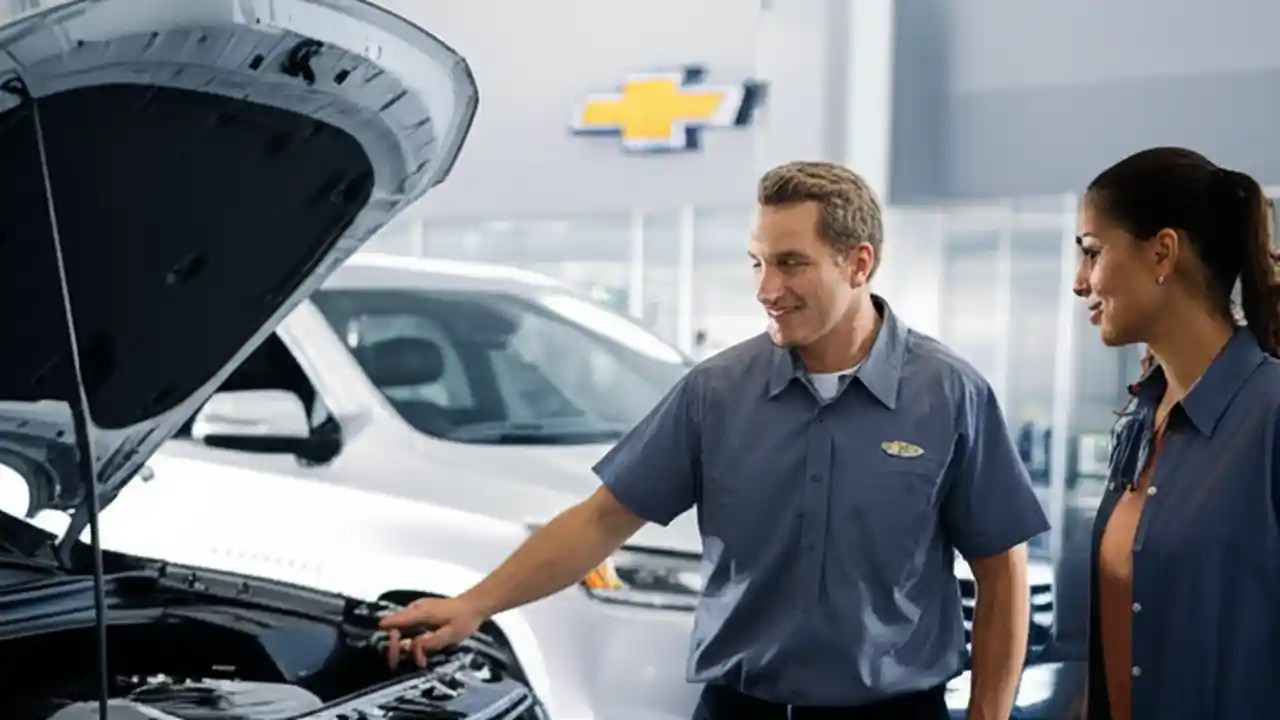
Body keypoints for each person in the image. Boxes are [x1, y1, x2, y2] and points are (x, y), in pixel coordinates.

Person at [379, 161, 1050, 719]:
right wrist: (474, 605)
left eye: (791, 264)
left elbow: (1002, 570)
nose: (767, 289)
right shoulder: (716, 391)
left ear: (858, 263)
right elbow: (600, 520)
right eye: (758, 262)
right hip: (737, 708)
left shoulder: (950, 394)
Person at [1072, 146, 1280, 719]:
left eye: (1092, 252)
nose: (1079, 281)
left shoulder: (1271, 414)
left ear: (1163, 251)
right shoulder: (1141, 415)